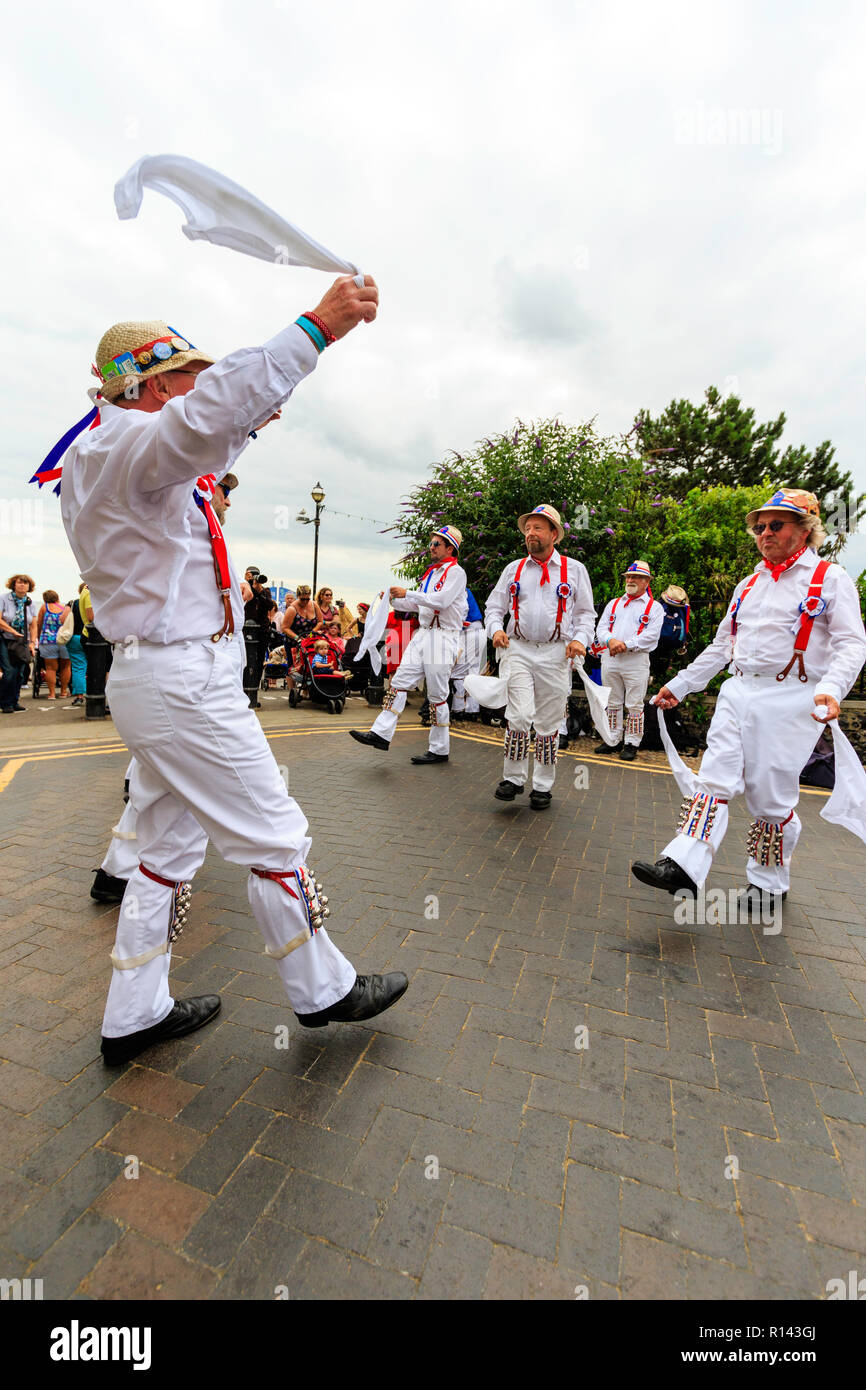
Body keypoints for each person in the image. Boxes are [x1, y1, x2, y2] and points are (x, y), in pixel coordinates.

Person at [60, 277, 408, 1067]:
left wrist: (246, 421)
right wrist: (314, 330)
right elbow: (196, 427)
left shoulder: (108, 452)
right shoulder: (126, 447)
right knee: (274, 832)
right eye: (184, 374)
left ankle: (134, 1010)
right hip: (183, 683)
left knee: (164, 850)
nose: (197, 386)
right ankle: (323, 991)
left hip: (165, 680)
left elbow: (196, 444)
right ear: (146, 385)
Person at [631, 488, 866, 914]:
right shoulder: (749, 582)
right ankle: (683, 866)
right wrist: (681, 685)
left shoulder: (830, 578)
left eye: (776, 524)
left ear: (806, 529)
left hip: (793, 698)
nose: (764, 533)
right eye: (759, 526)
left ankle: (768, 883)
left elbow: (852, 644)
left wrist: (831, 688)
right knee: (714, 780)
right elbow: (723, 646)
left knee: (771, 798)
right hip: (738, 691)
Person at [485, 505, 596, 809]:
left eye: (537, 528)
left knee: (548, 722)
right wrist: (495, 629)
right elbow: (494, 607)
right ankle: (513, 779)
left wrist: (579, 640)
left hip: (555, 653)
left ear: (554, 534)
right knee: (519, 715)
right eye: (527, 529)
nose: (530, 534)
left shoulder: (575, 570)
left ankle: (543, 786)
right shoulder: (513, 569)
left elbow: (587, 615)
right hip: (517, 648)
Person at [350, 526, 467, 764]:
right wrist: (393, 600)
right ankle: (381, 733)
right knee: (399, 682)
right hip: (424, 635)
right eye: (432, 543)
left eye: (436, 544)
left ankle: (439, 748)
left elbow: (441, 601)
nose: (431, 547)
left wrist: (408, 593)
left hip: (443, 637)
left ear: (450, 548)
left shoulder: (456, 572)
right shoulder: (430, 574)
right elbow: (417, 606)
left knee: (437, 694)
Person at [592, 560, 664, 761]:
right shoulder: (614, 603)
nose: (631, 580)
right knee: (612, 701)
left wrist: (624, 644)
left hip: (635, 660)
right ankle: (612, 739)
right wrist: (610, 640)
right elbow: (601, 628)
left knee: (634, 703)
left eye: (636, 577)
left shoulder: (654, 607)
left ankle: (632, 742)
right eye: (629, 577)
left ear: (646, 581)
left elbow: (651, 636)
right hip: (611, 658)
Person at [0, 574, 38, 713]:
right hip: (5, 638)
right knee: (9, 671)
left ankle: (14, 700)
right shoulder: (4, 598)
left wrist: (32, 643)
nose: (22, 585)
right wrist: (12, 631)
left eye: (25, 583)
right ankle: (5, 702)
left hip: (22, 641)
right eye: (19, 583)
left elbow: (33, 625)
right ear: (14, 585)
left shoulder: (30, 603)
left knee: (20, 673)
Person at [451, 587, 486, 722]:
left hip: (470, 631)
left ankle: (459, 708)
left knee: (459, 671)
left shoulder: (458, 589)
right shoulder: (462, 589)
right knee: (472, 672)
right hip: (475, 630)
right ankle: (471, 709)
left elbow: (460, 615)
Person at [36, 590, 73, 701]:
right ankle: (63, 691)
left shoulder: (44, 607)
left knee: (50, 668)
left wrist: (39, 637)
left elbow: (39, 624)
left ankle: (51, 693)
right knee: (66, 667)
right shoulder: (65, 608)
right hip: (64, 640)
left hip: (48, 641)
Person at [282, 585, 322, 682]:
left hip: (309, 640)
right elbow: (284, 628)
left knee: (309, 665)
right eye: (302, 599)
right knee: (293, 667)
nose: (305, 601)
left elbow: (321, 621)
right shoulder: (292, 609)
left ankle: (306, 689)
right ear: (298, 596)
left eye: (307, 599)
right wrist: (298, 638)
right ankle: (292, 691)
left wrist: (312, 633)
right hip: (293, 641)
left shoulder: (314, 605)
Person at [65, 582, 88, 705]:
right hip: (90, 636)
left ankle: (79, 696)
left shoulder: (72, 603)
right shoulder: (94, 602)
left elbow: (63, 619)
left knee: (78, 667)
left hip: (74, 637)